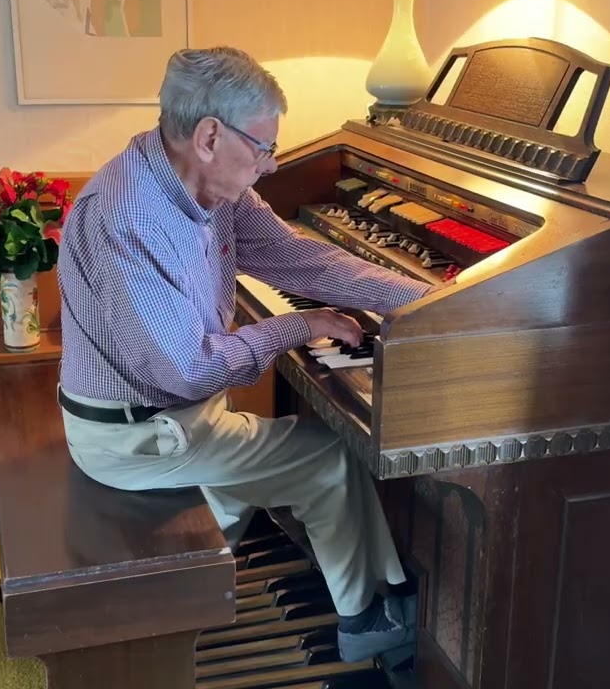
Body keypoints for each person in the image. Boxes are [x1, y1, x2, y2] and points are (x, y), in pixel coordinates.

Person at [55, 45, 445, 665]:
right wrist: (296, 325)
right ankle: (368, 619)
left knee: (292, 455)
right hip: (137, 439)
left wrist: (439, 299)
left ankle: (260, 565)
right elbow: (186, 370)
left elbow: (302, 260)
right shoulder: (126, 217)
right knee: (332, 460)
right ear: (211, 134)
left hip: (176, 416)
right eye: (263, 147)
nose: (269, 165)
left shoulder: (201, 181)